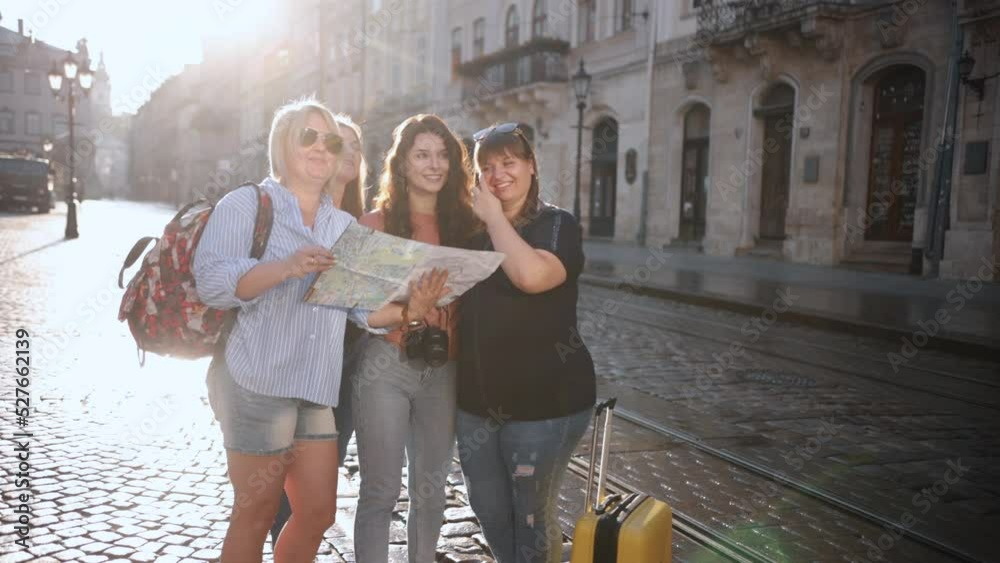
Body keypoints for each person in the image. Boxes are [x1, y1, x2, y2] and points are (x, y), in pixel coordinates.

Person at [193, 99, 446, 563]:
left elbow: (362, 310)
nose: (320, 148)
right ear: (282, 145)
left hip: (315, 390)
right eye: (307, 137)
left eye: (330, 141)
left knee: (317, 512)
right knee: (255, 511)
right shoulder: (247, 203)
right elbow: (212, 282)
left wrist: (413, 309)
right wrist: (284, 268)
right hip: (257, 382)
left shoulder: (343, 226)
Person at [457, 122, 597, 563]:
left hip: (546, 404)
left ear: (531, 166)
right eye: (487, 166)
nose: (498, 175)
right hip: (476, 404)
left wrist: (496, 218)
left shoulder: (557, 224)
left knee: (531, 515)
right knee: (490, 510)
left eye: (509, 162)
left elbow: (532, 276)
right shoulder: (471, 231)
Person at [352, 114, 479, 563]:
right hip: (386, 366)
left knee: (432, 491)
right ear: (401, 163)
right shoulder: (374, 222)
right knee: (380, 490)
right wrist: (412, 310)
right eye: (422, 154)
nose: (435, 164)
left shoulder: (466, 225)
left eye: (444, 155)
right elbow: (362, 312)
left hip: (444, 368)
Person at [269, 113, 369, 546]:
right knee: (271, 490)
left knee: (317, 490)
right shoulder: (296, 205)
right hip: (285, 362)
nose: (344, 150)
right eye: (334, 142)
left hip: (346, 362)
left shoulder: (362, 216)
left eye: (352, 145)